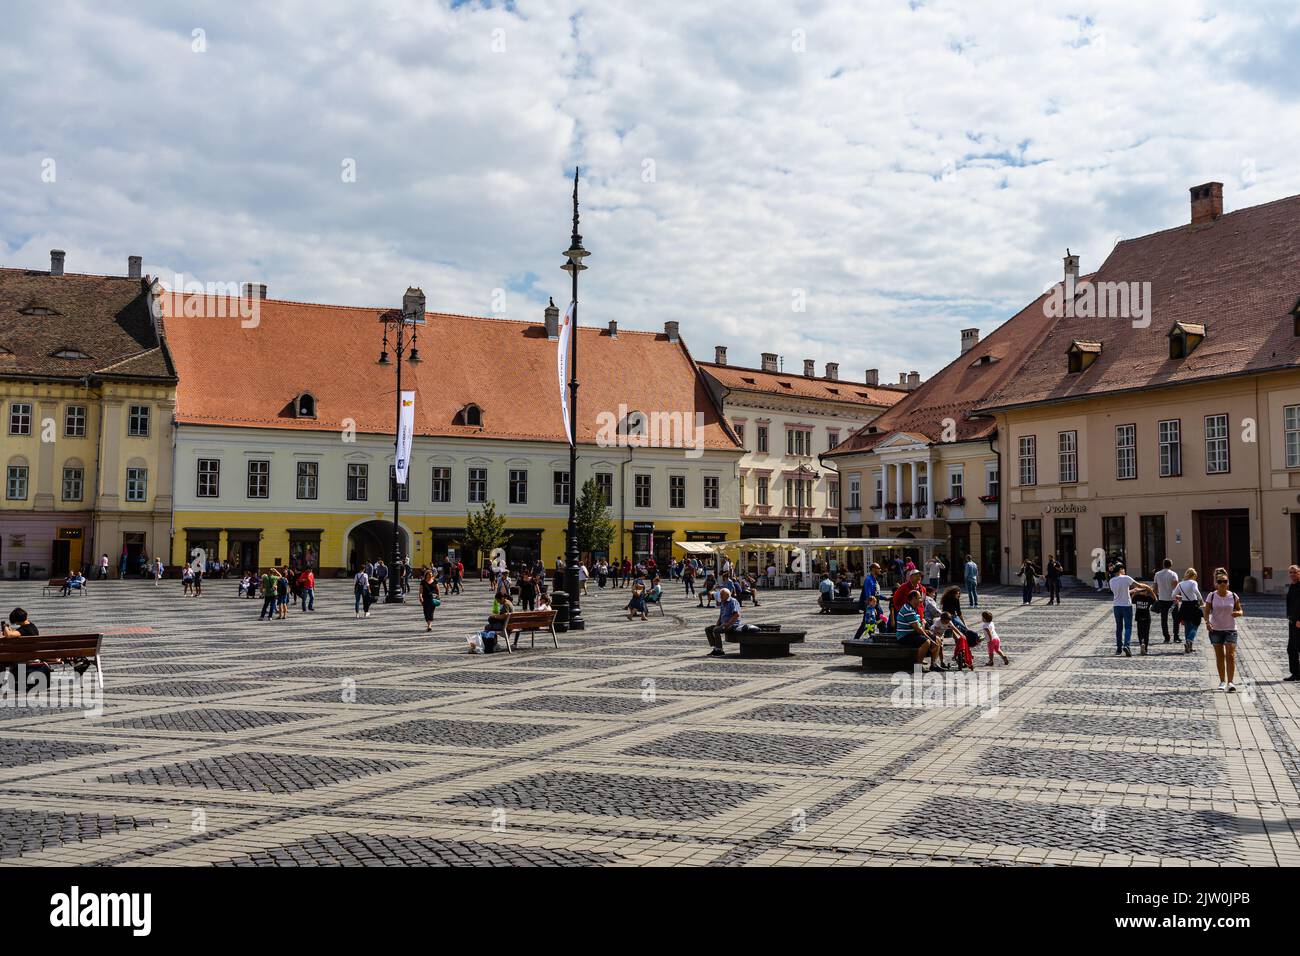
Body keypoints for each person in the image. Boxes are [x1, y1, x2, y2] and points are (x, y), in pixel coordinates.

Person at [1205, 569, 1243, 692]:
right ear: (1216, 583)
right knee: (1219, 656)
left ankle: (1231, 682)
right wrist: (1207, 622)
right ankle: (1222, 681)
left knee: (1230, 656)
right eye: (1220, 581)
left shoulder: (1233, 596)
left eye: (1224, 581)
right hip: (1215, 629)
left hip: (1230, 629)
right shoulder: (1211, 596)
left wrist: (1238, 613)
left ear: (1228, 583)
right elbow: (1206, 611)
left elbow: (1240, 610)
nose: (1222, 583)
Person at [897, 590, 943, 671]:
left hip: (912, 633)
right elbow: (918, 629)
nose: (921, 600)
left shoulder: (913, 608)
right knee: (927, 642)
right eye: (919, 598)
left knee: (938, 639)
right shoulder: (908, 610)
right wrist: (929, 637)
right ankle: (918, 667)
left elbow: (920, 626)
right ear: (914, 599)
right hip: (905, 636)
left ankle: (933, 665)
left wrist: (924, 628)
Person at [1109, 562, 1136, 657]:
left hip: (1116, 606)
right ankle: (1127, 645)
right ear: (1120, 569)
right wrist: (1147, 588)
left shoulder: (1111, 581)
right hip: (1127, 605)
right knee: (1128, 627)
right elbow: (1137, 585)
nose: (1124, 570)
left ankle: (1119, 648)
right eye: (1123, 569)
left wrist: (1131, 591)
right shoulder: (1127, 578)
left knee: (1119, 627)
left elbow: (1119, 592)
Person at [1173, 569, 1204, 653]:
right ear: (1193, 576)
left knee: (1187, 625)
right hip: (1193, 606)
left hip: (1184, 606)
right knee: (1195, 624)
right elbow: (1196, 592)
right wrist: (1201, 600)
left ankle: (1188, 646)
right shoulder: (1193, 583)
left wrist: (1181, 597)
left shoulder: (1180, 584)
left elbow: (1173, 594)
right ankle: (1189, 640)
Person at [706, 587, 742, 656]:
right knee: (708, 629)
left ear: (727, 595)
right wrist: (717, 624)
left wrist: (728, 624)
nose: (720, 596)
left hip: (732, 625)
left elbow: (736, 614)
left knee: (716, 630)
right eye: (720, 595)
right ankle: (715, 648)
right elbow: (721, 615)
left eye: (722, 595)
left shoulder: (733, 601)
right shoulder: (723, 602)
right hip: (723, 624)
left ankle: (719, 650)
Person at [1154, 558, 1182, 644]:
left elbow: (1155, 588)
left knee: (1164, 619)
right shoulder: (1174, 574)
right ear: (1171, 565)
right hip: (1172, 600)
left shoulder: (1157, 574)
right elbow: (1176, 588)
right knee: (1176, 618)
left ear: (1163, 564)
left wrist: (1156, 596)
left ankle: (1166, 637)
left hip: (1162, 599)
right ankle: (1176, 637)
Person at [1131, 580, 1157, 655]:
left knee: (1140, 632)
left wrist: (1136, 591)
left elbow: (1131, 599)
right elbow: (1156, 600)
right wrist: (1150, 590)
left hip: (1139, 617)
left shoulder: (1137, 597)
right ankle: (1145, 648)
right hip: (1147, 617)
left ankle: (1141, 644)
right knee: (1146, 633)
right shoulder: (1149, 598)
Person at [1288, 565, 1300, 683]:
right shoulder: (1292, 586)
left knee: (1297, 647)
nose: (1292, 574)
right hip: (1292, 621)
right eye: (1291, 572)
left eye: (1295, 572)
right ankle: (1295, 673)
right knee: (1291, 648)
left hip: (1298, 622)